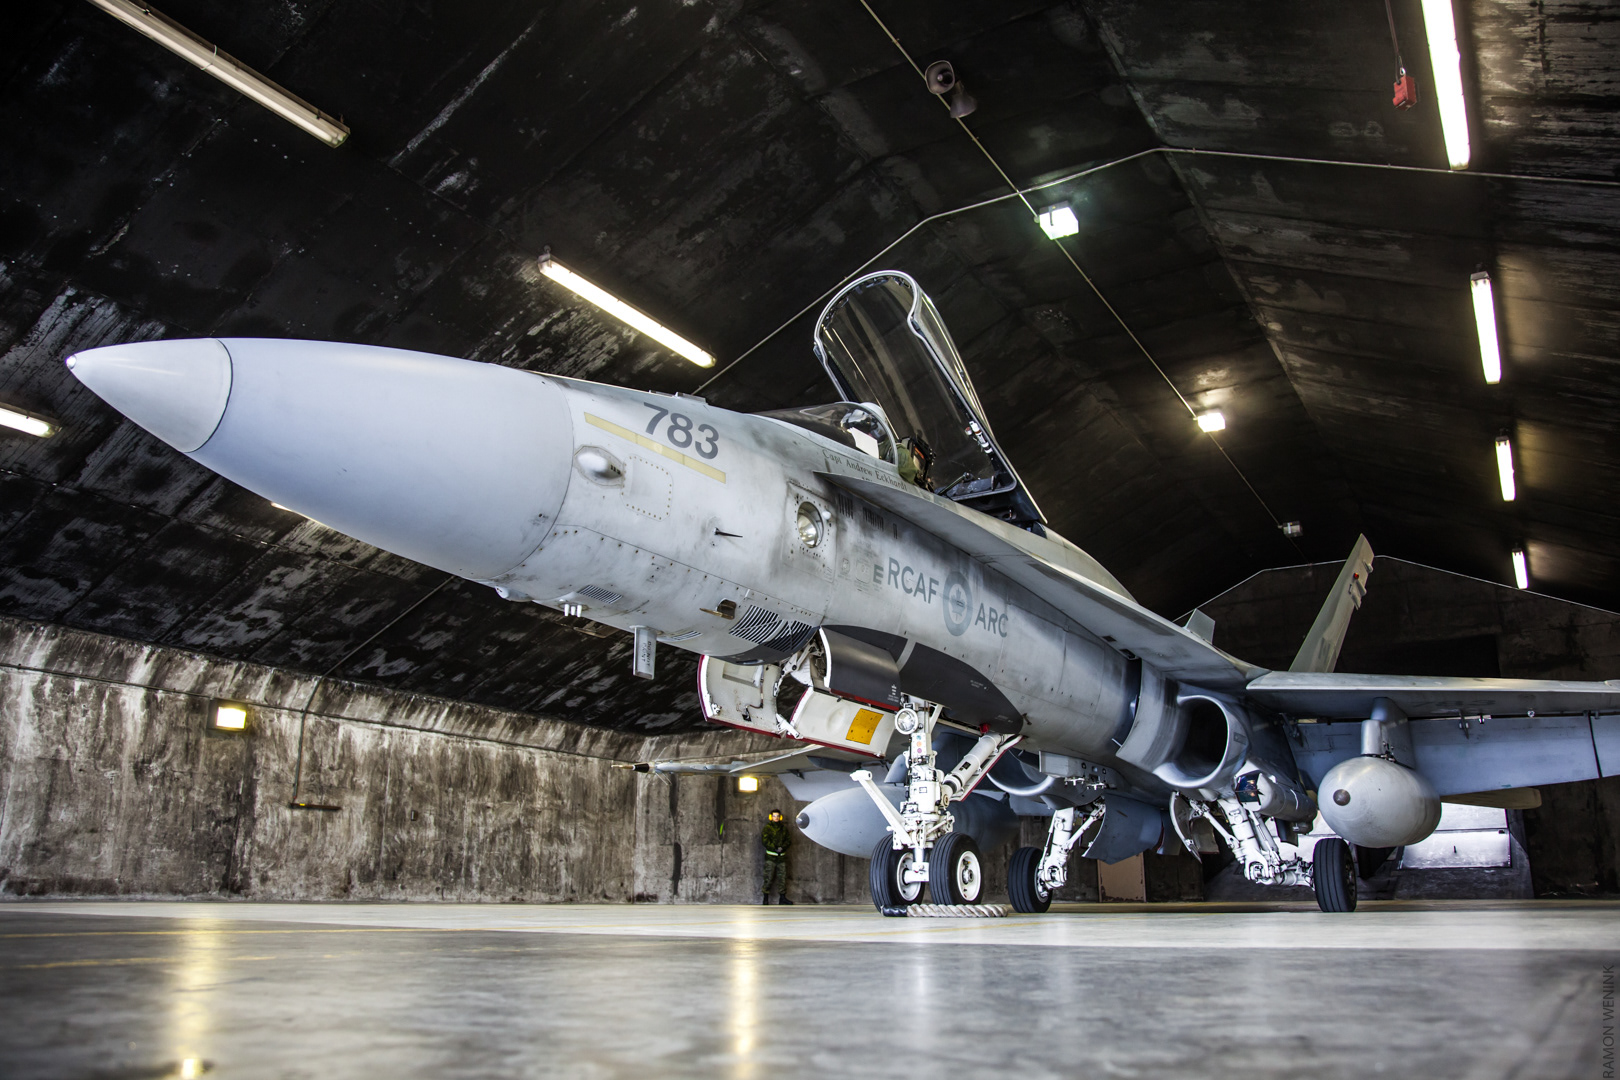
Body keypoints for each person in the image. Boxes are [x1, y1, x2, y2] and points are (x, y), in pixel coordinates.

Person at [761, 809, 793, 905]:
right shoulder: (767, 828)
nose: (776, 818)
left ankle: (782, 898)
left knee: (782, 878)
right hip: (770, 857)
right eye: (774, 816)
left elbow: (788, 840)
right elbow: (765, 841)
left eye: (778, 816)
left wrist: (783, 848)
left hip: (781, 858)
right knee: (768, 877)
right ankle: (765, 898)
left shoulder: (784, 829)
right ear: (771, 817)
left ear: (780, 817)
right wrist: (774, 848)